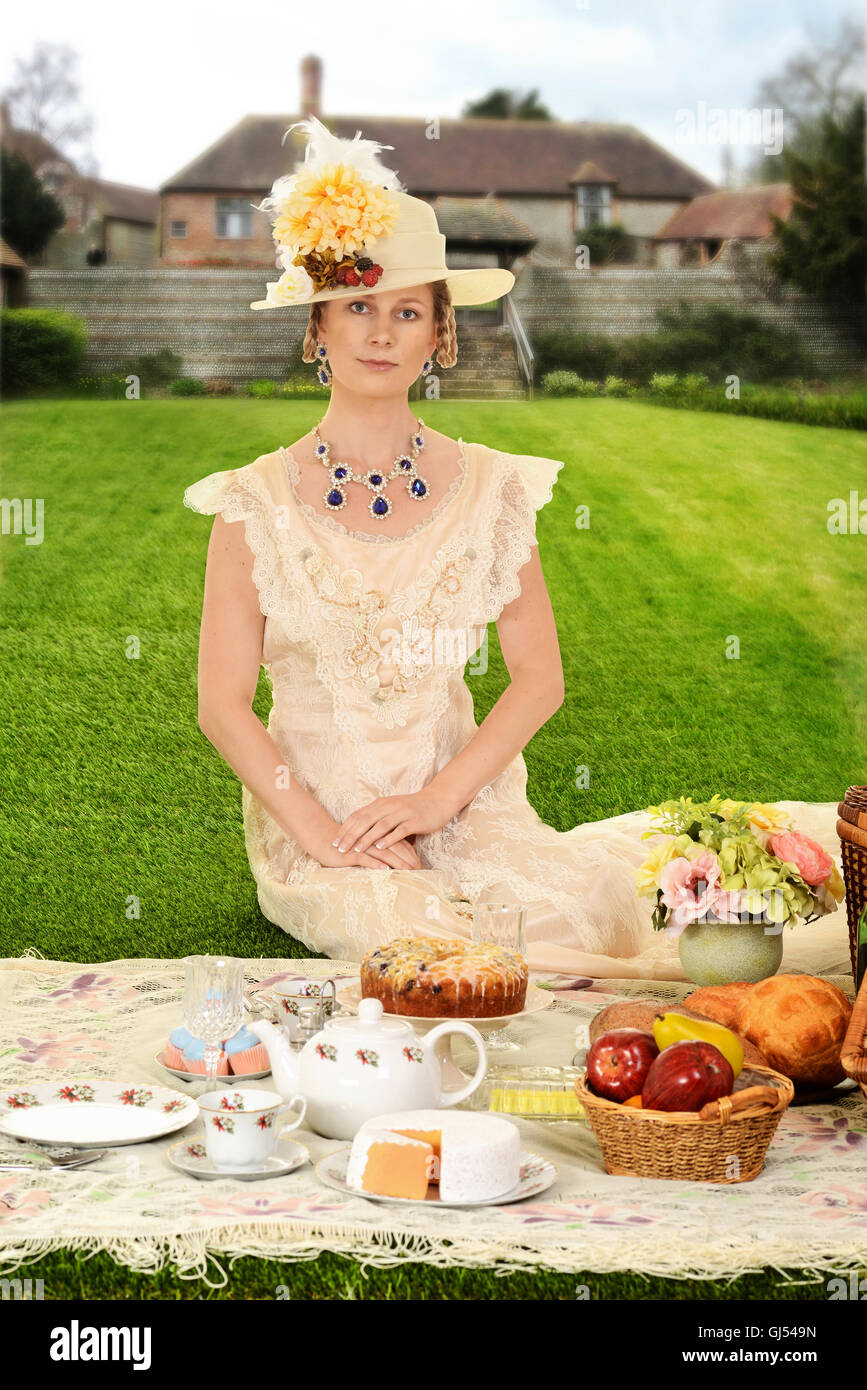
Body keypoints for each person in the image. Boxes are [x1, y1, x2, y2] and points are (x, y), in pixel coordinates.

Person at [181, 117, 693, 978]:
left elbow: (539, 678)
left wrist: (437, 800)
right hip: (324, 818)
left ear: (438, 336)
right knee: (424, 951)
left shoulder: (494, 487)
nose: (380, 333)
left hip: (462, 802)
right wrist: (321, 836)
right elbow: (222, 703)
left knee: (567, 922)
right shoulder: (251, 504)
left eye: (406, 311)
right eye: (357, 306)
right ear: (318, 329)